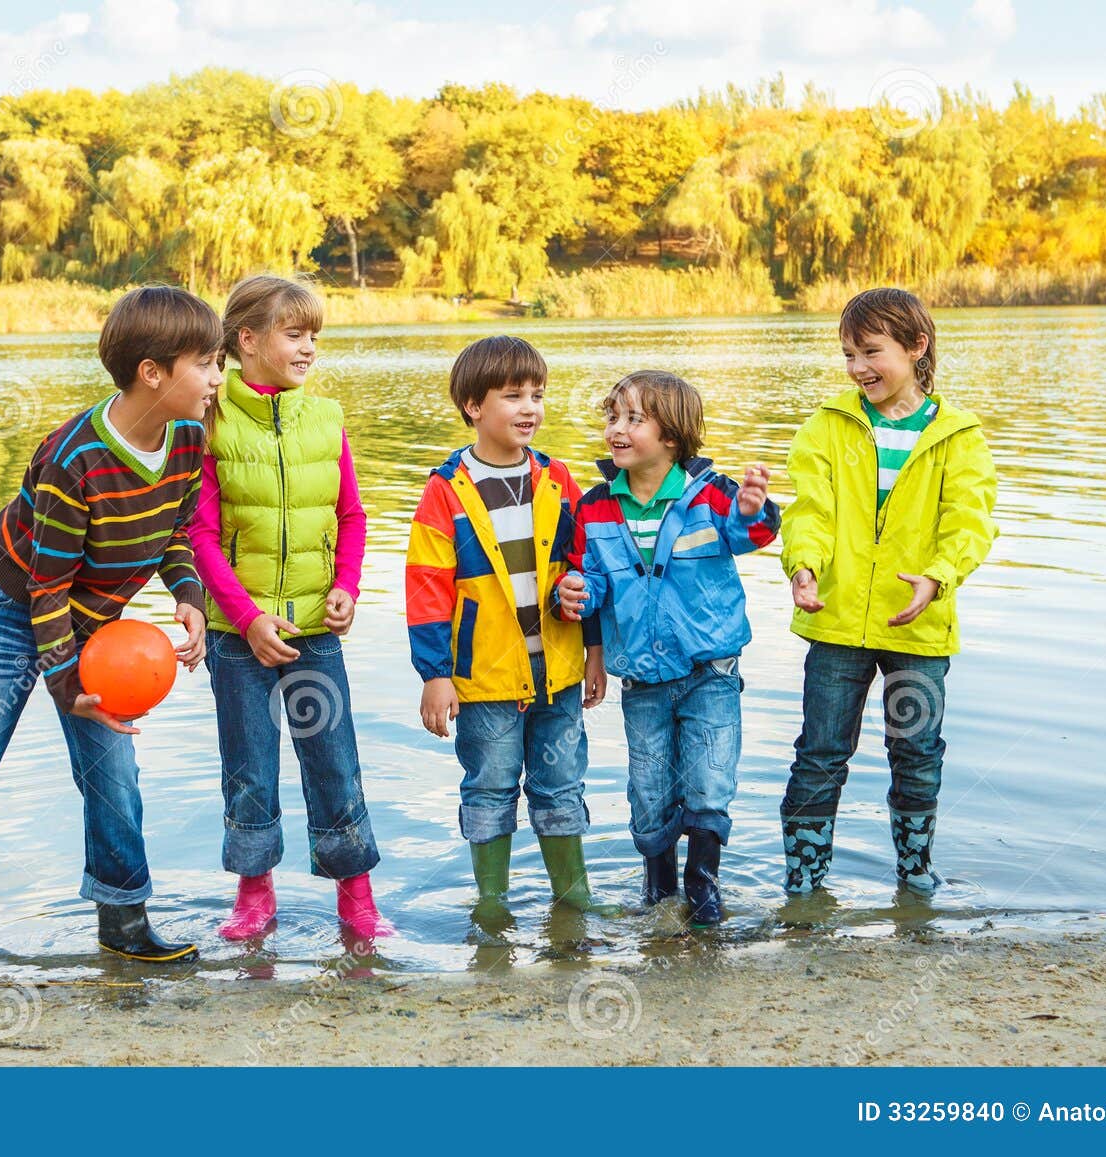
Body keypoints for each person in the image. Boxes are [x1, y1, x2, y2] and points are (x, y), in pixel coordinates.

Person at [0, 285, 221, 976]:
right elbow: (46, 587)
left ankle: (124, 919)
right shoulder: (75, 457)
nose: (220, 377)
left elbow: (175, 531)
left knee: (114, 770)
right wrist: (69, 686)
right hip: (8, 606)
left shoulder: (188, 438)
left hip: (94, 618)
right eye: (207, 362)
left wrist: (188, 595)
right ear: (152, 372)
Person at [189, 274, 392, 942]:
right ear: (247, 340)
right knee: (249, 767)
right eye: (294, 333)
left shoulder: (326, 418)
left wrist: (348, 587)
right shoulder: (210, 424)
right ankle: (255, 895)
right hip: (234, 636)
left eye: (315, 336)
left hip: (314, 632)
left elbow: (353, 515)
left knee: (334, 760)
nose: (309, 348)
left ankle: (356, 900)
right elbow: (201, 537)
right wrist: (246, 617)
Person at [779, 287, 998, 894]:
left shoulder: (959, 436)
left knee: (917, 752)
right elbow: (809, 512)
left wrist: (938, 577)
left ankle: (915, 873)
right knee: (820, 754)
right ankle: (803, 882)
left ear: (917, 346)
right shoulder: (827, 426)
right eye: (849, 354)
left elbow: (970, 522)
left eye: (871, 352)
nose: (858, 368)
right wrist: (802, 566)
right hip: (836, 622)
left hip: (918, 627)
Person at [405, 335, 613, 918]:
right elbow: (426, 593)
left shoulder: (556, 479)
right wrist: (436, 675)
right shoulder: (445, 492)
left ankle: (574, 901)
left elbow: (586, 569)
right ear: (474, 406)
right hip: (486, 678)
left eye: (538, 395)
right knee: (491, 787)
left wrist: (594, 652)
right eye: (513, 396)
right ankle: (491, 904)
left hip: (559, 672)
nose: (530, 408)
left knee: (561, 785)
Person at [561, 371, 778, 925]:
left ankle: (703, 881)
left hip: (711, 671)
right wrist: (578, 594)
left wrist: (754, 509)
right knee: (650, 784)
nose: (618, 429)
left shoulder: (712, 494)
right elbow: (592, 583)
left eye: (635, 419)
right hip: (642, 680)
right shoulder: (593, 509)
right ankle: (657, 885)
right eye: (613, 417)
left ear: (673, 438)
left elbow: (750, 534)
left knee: (709, 776)